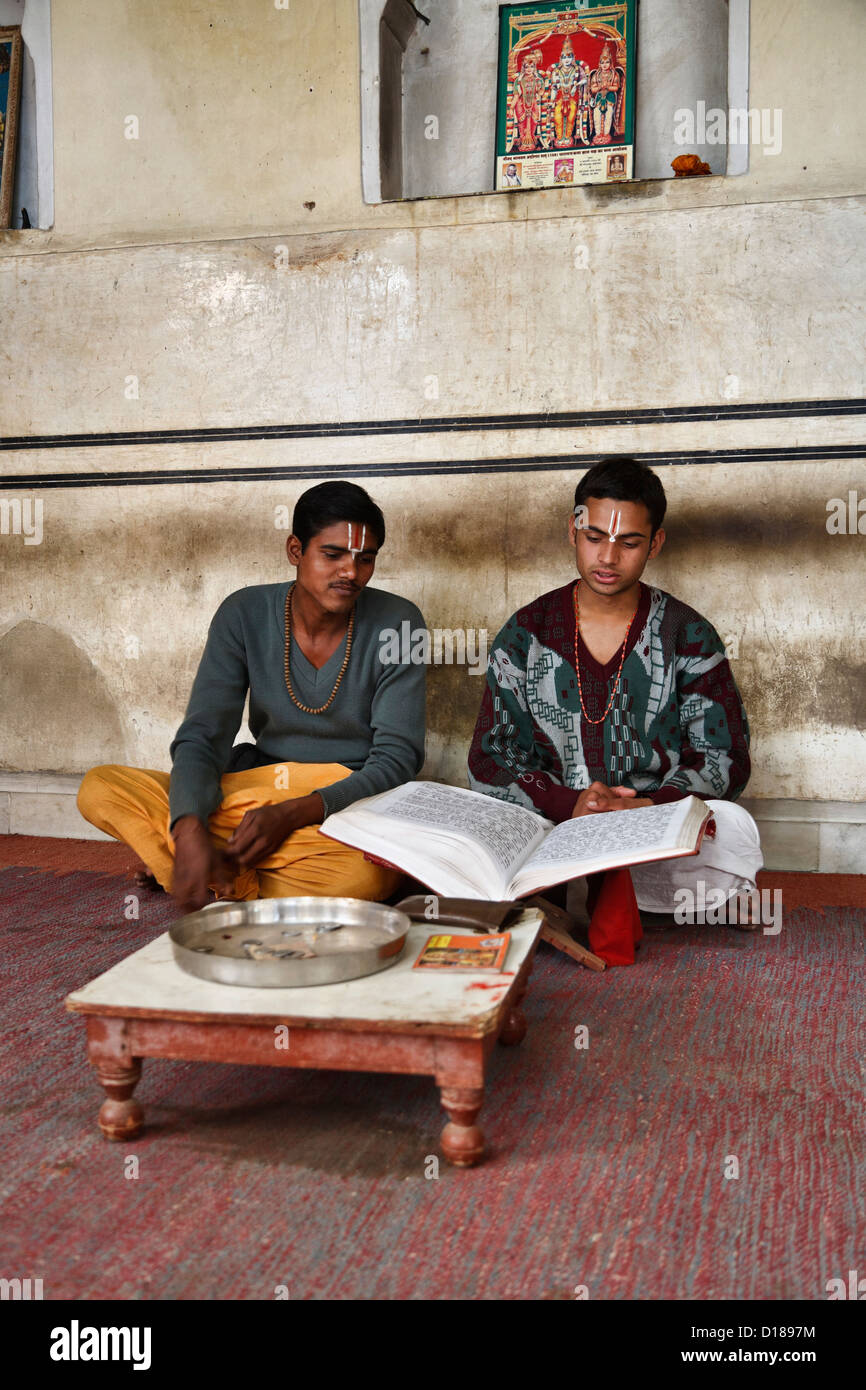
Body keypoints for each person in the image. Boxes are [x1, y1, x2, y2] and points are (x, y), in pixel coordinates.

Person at [78, 481, 426, 913]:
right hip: (257, 792)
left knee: (365, 877)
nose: (351, 572)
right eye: (333, 554)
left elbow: (397, 758)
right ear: (295, 550)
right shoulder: (243, 613)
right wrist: (188, 828)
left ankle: (210, 872)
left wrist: (291, 816)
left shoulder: (402, 623)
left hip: (345, 806)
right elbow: (204, 735)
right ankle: (208, 856)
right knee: (100, 788)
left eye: (366, 559)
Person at [468, 456, 762, 929]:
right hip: (553, 824)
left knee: (732, 828)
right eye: (594, 538)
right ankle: (599, 892)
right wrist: (571, 804)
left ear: (656, 543)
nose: (607, 558)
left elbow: (724, 758)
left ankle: (607, 893)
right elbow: (490, 757)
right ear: (573, 530)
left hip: (649, 827)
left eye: (628, 543)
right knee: (474, 826)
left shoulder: (687, 633)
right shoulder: (527, 632)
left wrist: (639, 808)